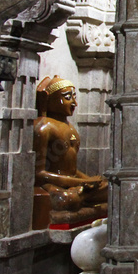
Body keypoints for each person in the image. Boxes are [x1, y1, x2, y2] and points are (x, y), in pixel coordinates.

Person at [33, 76, 107, 228]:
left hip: (73, 184)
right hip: (52, 185)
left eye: (74, 97)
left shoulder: (69, 127)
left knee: (112, 188)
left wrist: (90, 181)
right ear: (50, 99)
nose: (74, 103)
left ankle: (82, 192)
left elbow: (71, 170)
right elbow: (39, 173)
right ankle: (80, 193)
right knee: (67, 200)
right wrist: (82, 183)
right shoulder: (43, 127)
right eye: (67, 98)